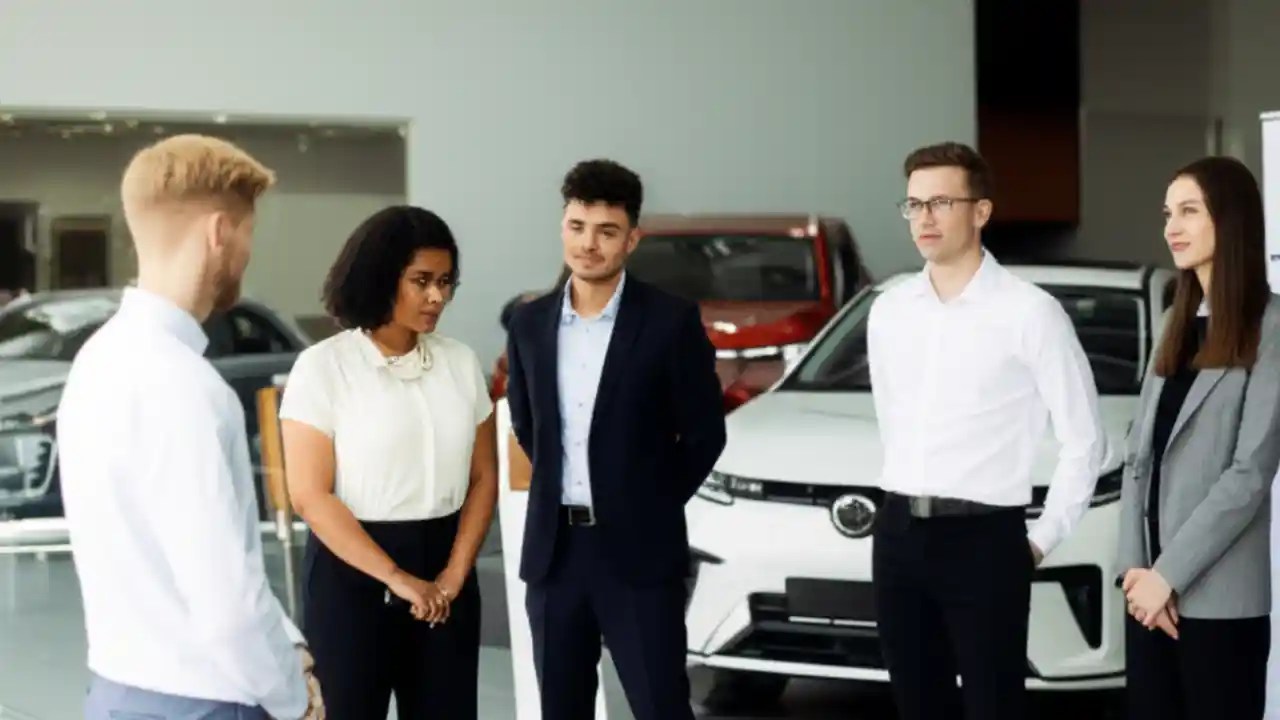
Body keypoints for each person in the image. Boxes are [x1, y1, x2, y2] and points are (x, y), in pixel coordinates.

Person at [57, 134, 323, 719]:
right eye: (249, 232)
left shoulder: (95, 362)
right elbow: (226, 599)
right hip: (205, 703)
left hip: (115, 692)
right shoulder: (188, 387)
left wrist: (290, 648)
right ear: (218, 233)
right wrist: (293, 699)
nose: (249, 253)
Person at [867, 141, 1105, 720]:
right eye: (914, 204)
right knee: (916, 703)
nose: (924, 217)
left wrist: (1041, 539)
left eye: (941, 202)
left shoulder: (1030, 312)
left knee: (992, 705)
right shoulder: (889, 309)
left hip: (986, 541)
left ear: (981, 211)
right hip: (897, 532)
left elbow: (1086, 440)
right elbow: (892, 423)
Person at [505, 159, 726, 720]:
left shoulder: (670, 322)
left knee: (661, 706)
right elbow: (528, 425)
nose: (589, 244)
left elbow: (704, 434)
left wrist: (647, 503)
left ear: (632, 238)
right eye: (577, 227)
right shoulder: (529, 324)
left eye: (606, 231)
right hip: (555, 557)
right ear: (563, 226)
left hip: (639, 554)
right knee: (563, 709)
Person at [278, 205, 497, 719]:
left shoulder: (460, 363)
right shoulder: (323, 368)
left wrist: (453, 576)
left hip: (448, 569)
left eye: (445, 282)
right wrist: (397, 578)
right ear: (380, 277)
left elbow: (484, 475)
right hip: (352, 572)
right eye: (421, 280)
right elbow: (310, 494)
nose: (437, 296)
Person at [1116, 156, 1280, 720]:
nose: (1171, 227)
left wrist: (1169, 575)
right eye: (1168, 213)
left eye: (1189, 211)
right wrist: (1135, 577)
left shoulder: (1272, 326)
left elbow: (1250, 472)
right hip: (1147, 600)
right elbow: (1139, 456)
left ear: (1230, 221)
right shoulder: (1174, 322)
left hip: (1220, 600)